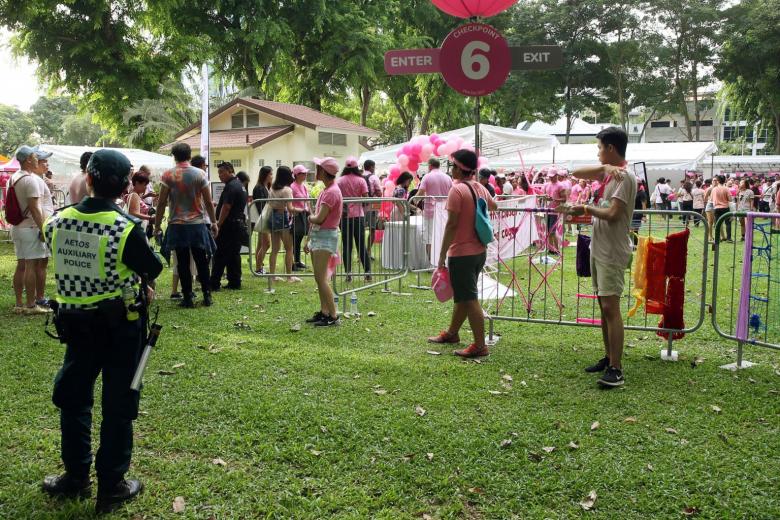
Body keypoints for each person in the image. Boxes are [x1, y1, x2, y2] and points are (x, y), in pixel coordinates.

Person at [41, 149, 163, 514]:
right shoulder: (125, 228)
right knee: (119, 402)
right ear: (126, 186)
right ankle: (112, 483)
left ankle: (75, 475)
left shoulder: (56, 222)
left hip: (76, 326)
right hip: (122, 328)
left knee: (74, 397)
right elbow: (152, 267)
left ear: (89, 179)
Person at [559, 127, 637, 387]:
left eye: (600, 147)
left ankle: (616, 368)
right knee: (604, 309)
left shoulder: (625, 178)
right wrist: (603, 170)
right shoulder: (611, 176)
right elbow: (576, 172)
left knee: (610, 309)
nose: (598, 151)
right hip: (600, 247)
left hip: (612, 251)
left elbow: (614, 213)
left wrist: (583, 207)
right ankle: (609, 357)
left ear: (611, 148)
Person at [427, 149, 497, 358]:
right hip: (479, 251)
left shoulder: (456, 191)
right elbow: (493, 205)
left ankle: (479, 345)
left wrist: (441, 256)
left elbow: (451, 226)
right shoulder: (479, 188)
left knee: (469, 298)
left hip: (462, 254)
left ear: (459, 168)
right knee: (463, 295)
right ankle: (452, 333)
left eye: (453, 166)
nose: (451, 169)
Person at [154, 142, 218, 308]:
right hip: (197, 224)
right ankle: (207, 295)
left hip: (177, 225)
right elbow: (209, 202)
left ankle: (187, 297)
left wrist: (156, 226)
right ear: (190, 155)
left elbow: (161, 203)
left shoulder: (168, 175)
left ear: (174, 156)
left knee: (182, 262)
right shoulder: (200, 174)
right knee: (201, 261)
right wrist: (214, 222)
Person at [9, 146, 53, 314]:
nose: (37, 159)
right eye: (35, 157)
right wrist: (43, 229)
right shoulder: (31, 180)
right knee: (30, 265)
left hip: (19, 228)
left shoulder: (14, 177)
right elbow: (35, 208)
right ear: (28, 159)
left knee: (21, 265)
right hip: (31, 227)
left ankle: (19, 303)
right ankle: (31, 305)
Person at [304, 157, 343, 327]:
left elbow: (319, 218)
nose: (315, 170)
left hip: (325, 236)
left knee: (321, 279)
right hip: (320, 236)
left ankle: (333, 315)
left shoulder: (331, 192)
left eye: (318, 168)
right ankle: (324, 311)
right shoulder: (328, 190)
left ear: (323, 171)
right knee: (319, 278)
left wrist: (309, 217)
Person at [210, 162, 248, 290]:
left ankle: (214, 283)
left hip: (229, 225)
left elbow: (226, 207)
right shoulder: (240, 185)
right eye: (218, 172)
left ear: (230, 170)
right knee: (233, 254)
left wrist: (218, 223)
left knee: (221, 253)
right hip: (237, 224)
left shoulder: (231, 186)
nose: (220, 175)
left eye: (222, 172)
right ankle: (234, 281)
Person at [337, 157, 371, 282]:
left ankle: (348, 274)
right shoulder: (361, 180)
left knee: (347, 246)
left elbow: (337, 197)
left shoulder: (340, 181)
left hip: (345, 217)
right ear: (357, 167)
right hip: (358, 216)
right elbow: (366, 197)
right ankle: (367, 272)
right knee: (361, 245)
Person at [268, 166, 303, 283]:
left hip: (272, 218)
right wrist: (301, 209)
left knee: (275, 249)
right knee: (289, 248)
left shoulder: (272, 189)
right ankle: (289, 277)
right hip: (284, 219)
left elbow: (270, 205)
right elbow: (290, 208)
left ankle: (272, 276)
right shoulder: (287, 190)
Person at [416, 158, 452, 261]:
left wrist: (414, 201)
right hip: (445, 211)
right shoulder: (447, 177)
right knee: (443, 236)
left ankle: (431, 262)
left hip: (431, 211)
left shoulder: (427, 177)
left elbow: (421, 192)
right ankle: (443, 260)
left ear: (430, 165)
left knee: (429, 238)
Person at [252, 166, 273, 273]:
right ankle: (258, 268)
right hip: (263, 218)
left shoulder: (266, 187)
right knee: (266, 244)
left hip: (264, 217)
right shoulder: (259, 188)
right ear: (265, 175)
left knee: (261, 244)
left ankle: (258, 266)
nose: (272, 176)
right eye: (270, 174)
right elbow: (260, 206)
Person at [290, 165, 311, 271]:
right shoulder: (292, 187)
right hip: (296, 215)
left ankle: (297, 261)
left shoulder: (303, 186)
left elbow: (307, 201)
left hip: (304, 214)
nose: (305, 174)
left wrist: (310, 213)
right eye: (303, 173)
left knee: (299, 238)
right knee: (295, 239)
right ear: (297, 175)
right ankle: (293, 262)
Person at [363, 160, 383, 256]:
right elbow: (379, 193)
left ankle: (361, 253)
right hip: (373, 205)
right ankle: (368, 251)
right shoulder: (374, 177)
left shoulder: (359, 177)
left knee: (360, 230)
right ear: (371, 167)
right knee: (372, 229)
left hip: (361, 206)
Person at [711, 175, 733, 242]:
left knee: (717, 223)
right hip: (725, 208)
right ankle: (729, 238)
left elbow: (711, 199)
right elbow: (730, 199)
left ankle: (717, 238)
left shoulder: (714, 189)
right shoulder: (726, 189)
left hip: (717, 208)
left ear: (717, 181)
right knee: (728, 223)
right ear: (724, 181)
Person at [703, 178, 716, 242]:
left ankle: (720, 236)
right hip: (710, 205)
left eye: (716, 180)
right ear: (712, 182)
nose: (715, 181)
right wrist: (704, 207)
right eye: (714, 180)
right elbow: (705, 198)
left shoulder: (719, 188)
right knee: (710, 222)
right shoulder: (710, 189)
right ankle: (710, 236)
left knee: (716, 222)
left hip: (717, 206)